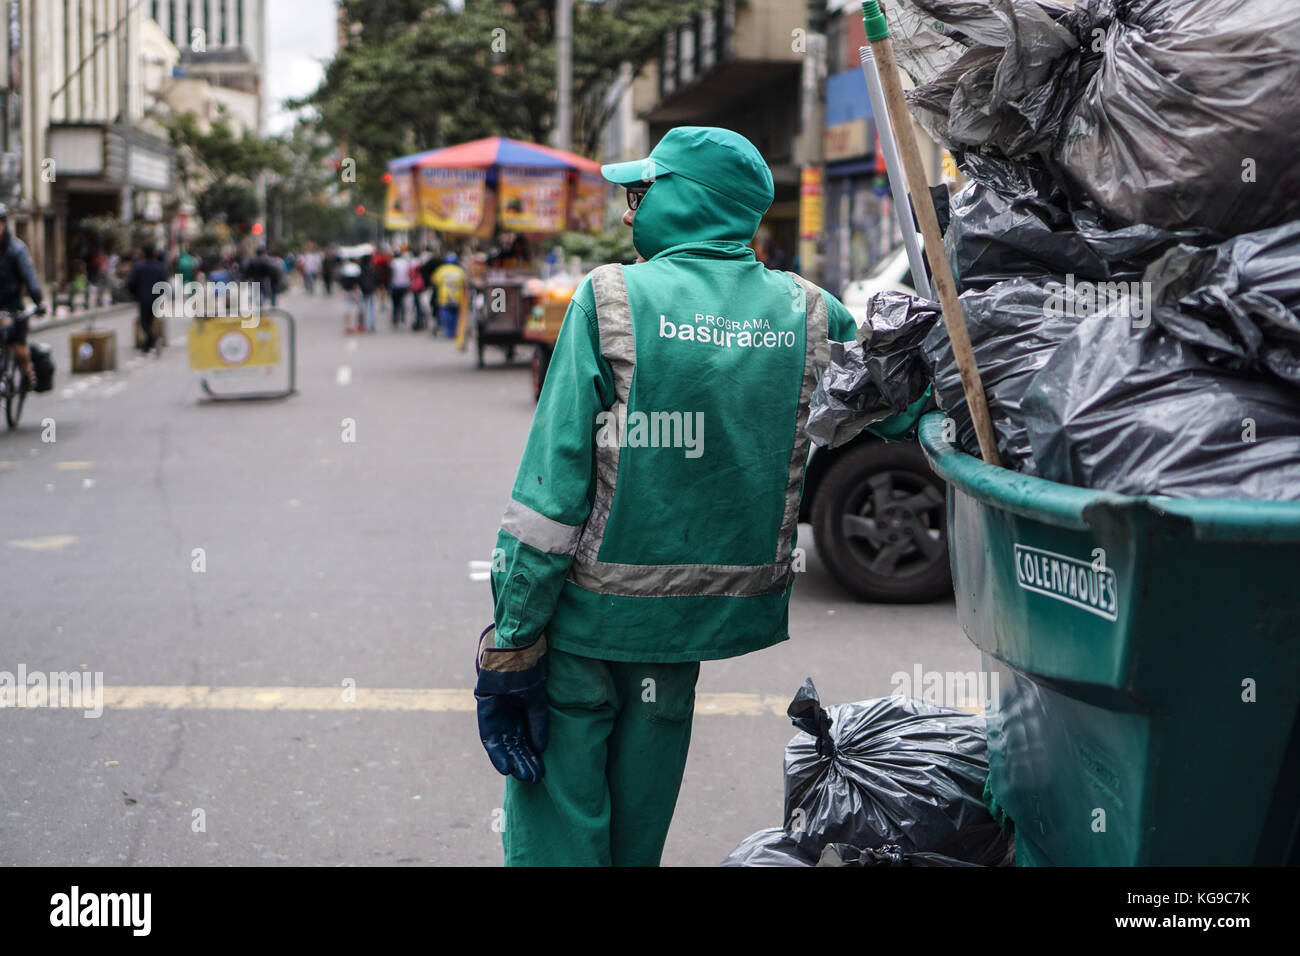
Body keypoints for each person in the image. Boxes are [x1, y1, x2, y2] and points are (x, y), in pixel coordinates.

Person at [475, 126, 860, 867]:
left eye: (641, 193)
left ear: (688, 199)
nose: (627, 213)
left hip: (585, 625)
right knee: (637, 837)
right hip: (685, 634)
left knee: (558, 828)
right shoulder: (813, 313)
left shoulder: (611, 298)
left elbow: (551, 494)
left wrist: (514, 636)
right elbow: (905, 404)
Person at [0, 204, 47, 383]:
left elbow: (30, 277)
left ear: (4, 225)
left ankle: (28, 373)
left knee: (18, 347)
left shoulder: (17, 250)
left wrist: (38, 301)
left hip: (12, 307)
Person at [125, 245, 169, 354]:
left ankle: (151, 340)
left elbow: (131, 283)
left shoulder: (138, 267)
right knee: (150, 321)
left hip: (143, 298)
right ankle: (149, 343)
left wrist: (135, 295)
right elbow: (165, 282)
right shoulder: (159, 267)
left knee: (145, 322)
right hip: (156, 299)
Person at [432, 253, 466, 339]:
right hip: (457, 296)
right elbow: (465, 283)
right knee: (456, 315)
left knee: (446, 315)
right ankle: (454, 331)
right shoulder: (460, 271)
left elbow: (434, 281)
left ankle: (449, 331)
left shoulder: (441, 270)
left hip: (445, 296)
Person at [389, 246, 412, 328]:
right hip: (404, 284)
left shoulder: (393, 262)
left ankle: (396, 318)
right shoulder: (405, 262)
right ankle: (402, 317)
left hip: (395, 284)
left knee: (395, 303)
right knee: (402, 301)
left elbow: (391, 274)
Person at [358, 253, 379, 332]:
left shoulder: (361, 268)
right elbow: (376, 278)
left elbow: (359, 279)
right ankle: (371, 323)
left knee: (363, 307)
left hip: (363, 289)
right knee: (371, 307)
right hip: (371, 289)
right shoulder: (372, 268)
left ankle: (364, 323)